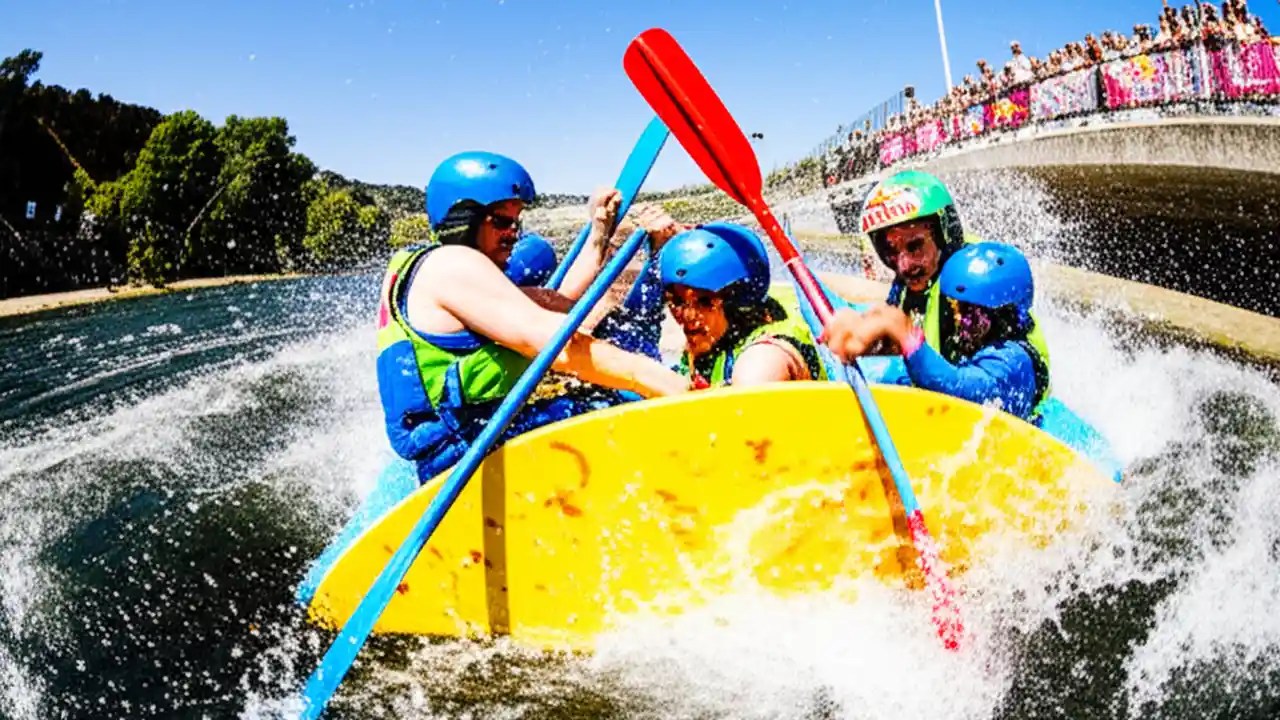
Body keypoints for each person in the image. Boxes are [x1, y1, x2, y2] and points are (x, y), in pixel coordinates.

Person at [375, 150, 689, 482]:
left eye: (516, 221)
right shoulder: (451, 265)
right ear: (462, 219)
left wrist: (599, 234)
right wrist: (667, 385)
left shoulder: (431, 270)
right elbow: (557, 343)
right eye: (501, 221)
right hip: (469, 459)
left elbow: (556, 301)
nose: (513, 232)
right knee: (621, 396)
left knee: (612, 354)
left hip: (465, 448)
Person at [821, 242, 1049, 422]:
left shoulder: (1014, 361)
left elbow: (962, 392)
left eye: (969, 312)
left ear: (1003, 314)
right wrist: (865, 340)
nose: (959, 319)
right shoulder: (980, 344)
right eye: (955, 308)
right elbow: (916, 358)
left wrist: (904, 332)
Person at [600, 218, 826, 388]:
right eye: (676, 301)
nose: (686, 315)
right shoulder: (711, 344)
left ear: (735, 302)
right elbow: (633, 332)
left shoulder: (761, 360)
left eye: (704, 301)